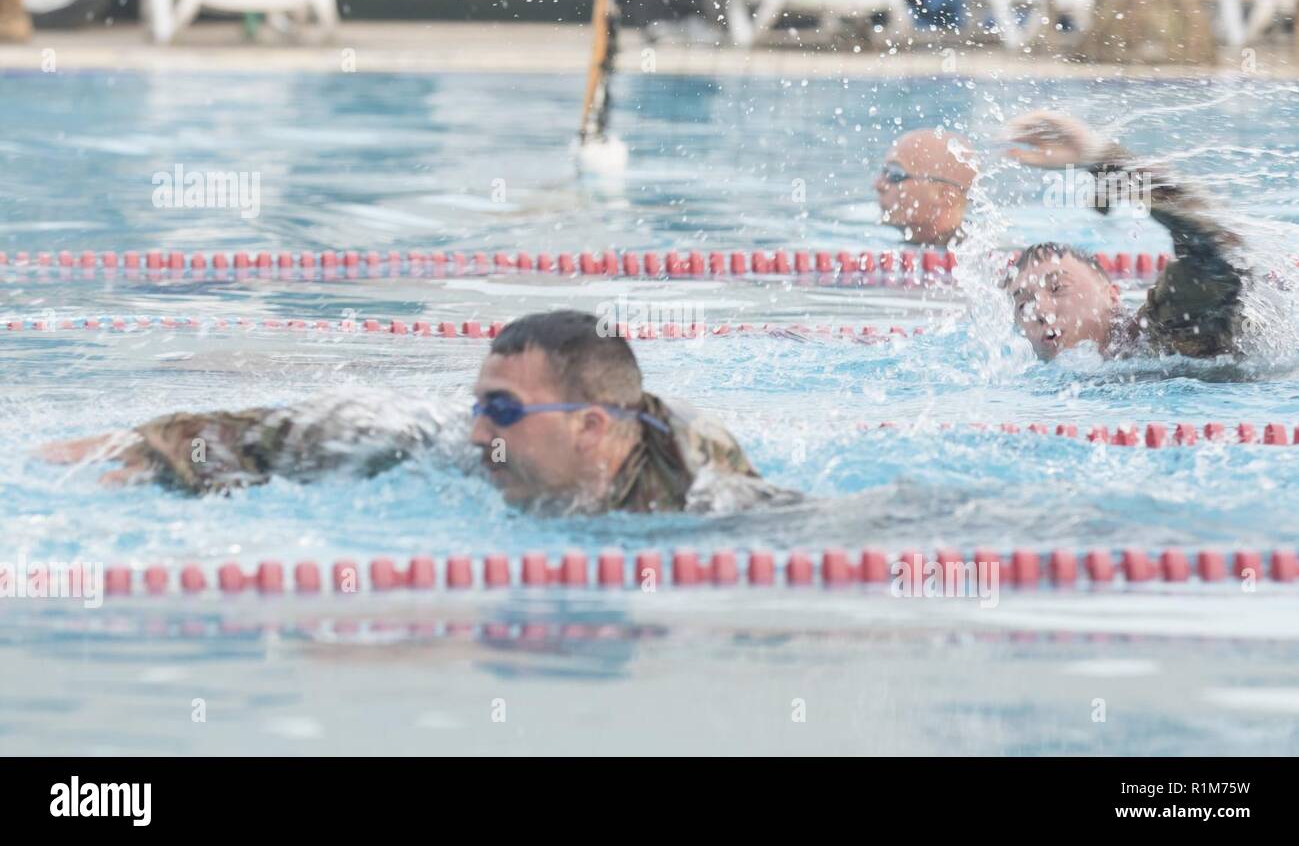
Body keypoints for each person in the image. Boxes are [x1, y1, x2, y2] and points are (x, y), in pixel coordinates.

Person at [38, 311, 796, 515]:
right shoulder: (473, 448)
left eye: (500, 410)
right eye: (476, 405)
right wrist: (153, 451)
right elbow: (289, 433)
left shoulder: (698, 489)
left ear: (590, 427)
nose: (477, 432)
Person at [1003, 110, 1248, 361]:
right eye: (1023, 305)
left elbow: (1217, 248)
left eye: (1057, 288)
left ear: (1112, 295)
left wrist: (1103, 158)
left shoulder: (1164, 333)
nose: (1039, 311)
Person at [874, 127, 978, 245]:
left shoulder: (977, 260)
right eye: (884, 171)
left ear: (944, 194)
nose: (878, 185)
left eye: (895, 174)